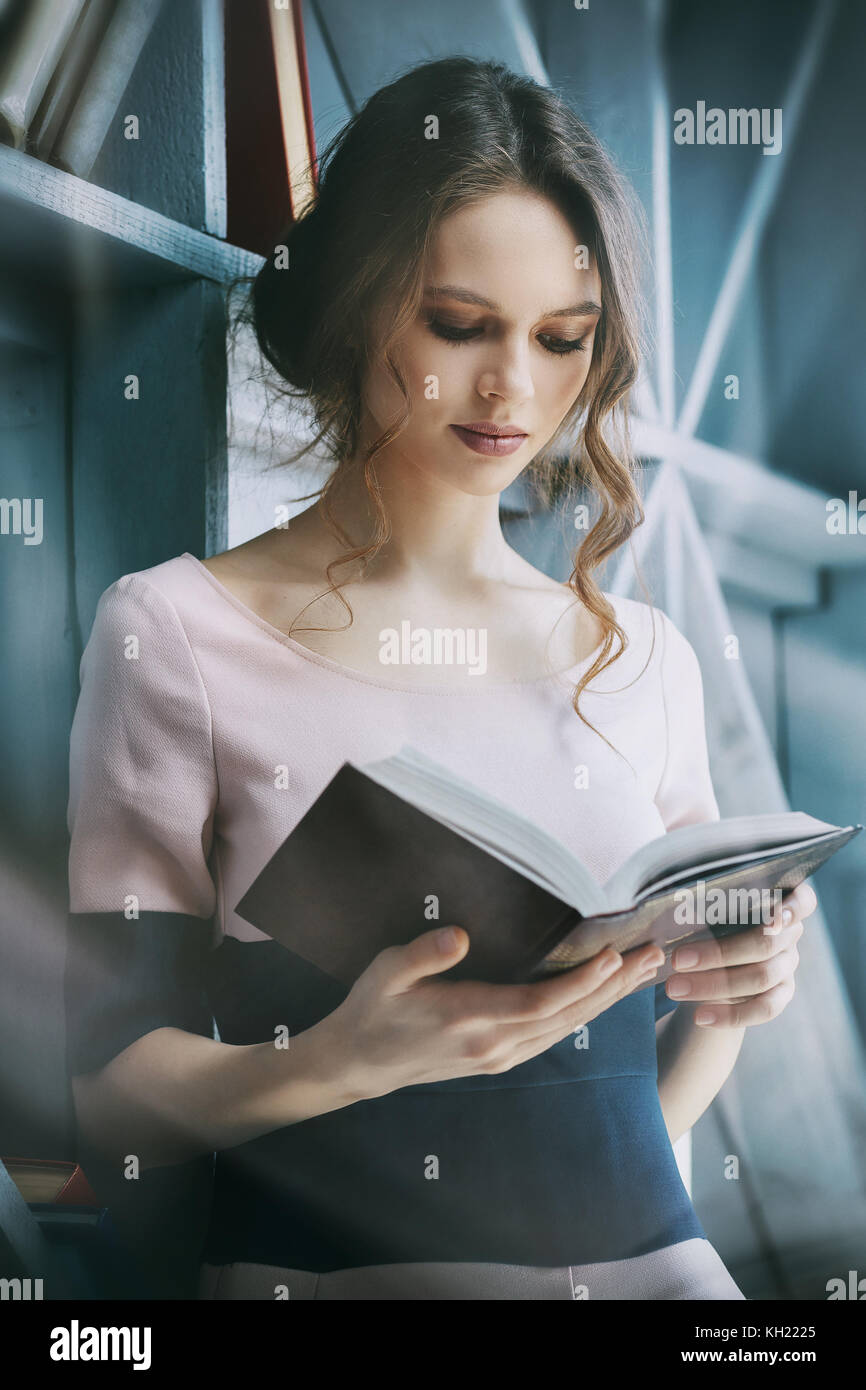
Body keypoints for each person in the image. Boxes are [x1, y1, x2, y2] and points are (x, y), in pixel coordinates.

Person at [64, 56, 813, 1301]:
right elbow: (105, 1088)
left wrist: (738, 990)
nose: (512, 387)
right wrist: (344, 1059)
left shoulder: (641, 659)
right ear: (358, 306)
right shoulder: (174, 633)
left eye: (560, 338)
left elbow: (655, 1081)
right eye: (458, 326)